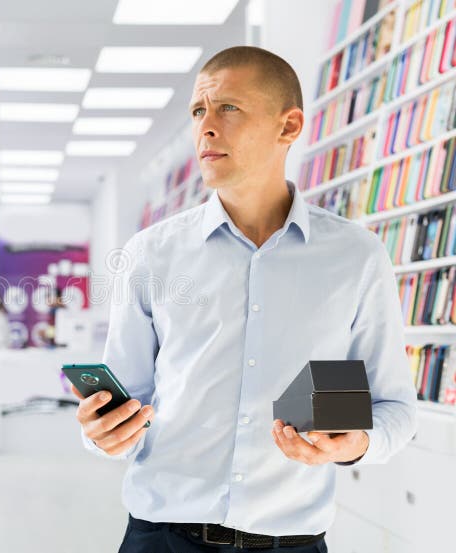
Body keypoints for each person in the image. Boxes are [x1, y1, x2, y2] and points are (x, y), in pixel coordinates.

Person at [72, 46, 417, 553]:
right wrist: (101, 432)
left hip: (292, 542)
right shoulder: (151, 253)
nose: (206, 128)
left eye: (228, 108)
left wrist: (358, 442)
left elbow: (395, 407)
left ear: (288, 126)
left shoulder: (355, 256)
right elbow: (126, 403)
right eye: (198, 111)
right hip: (162, 537)